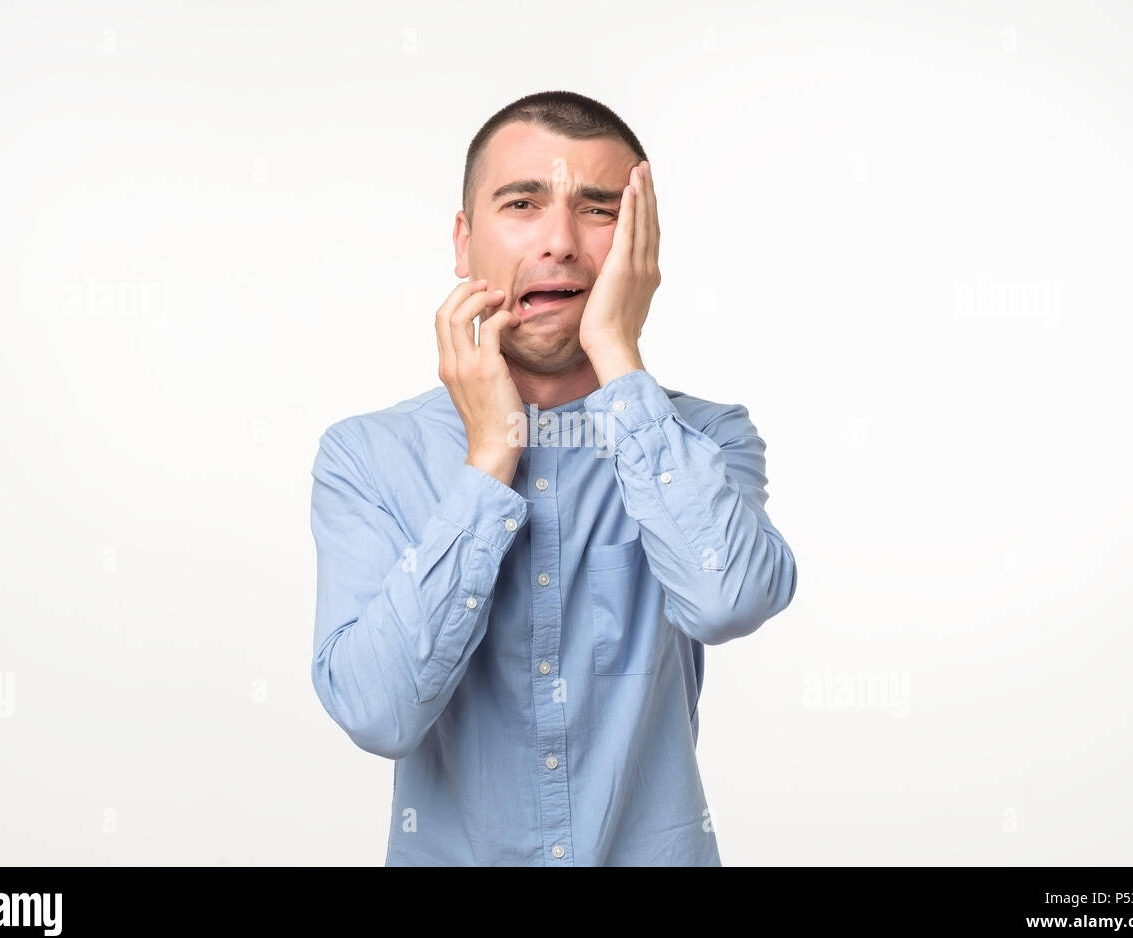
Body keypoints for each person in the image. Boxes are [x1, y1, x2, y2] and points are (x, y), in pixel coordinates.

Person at [309, 90, 797, 865]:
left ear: (642, 246)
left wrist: (616, 352)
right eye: (523, 203)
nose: (560, 242)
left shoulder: (705, 438)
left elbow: (727, 600)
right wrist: (489, 460)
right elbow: (378, 713)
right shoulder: (367, 457)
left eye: (598, 209)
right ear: (464, 243)